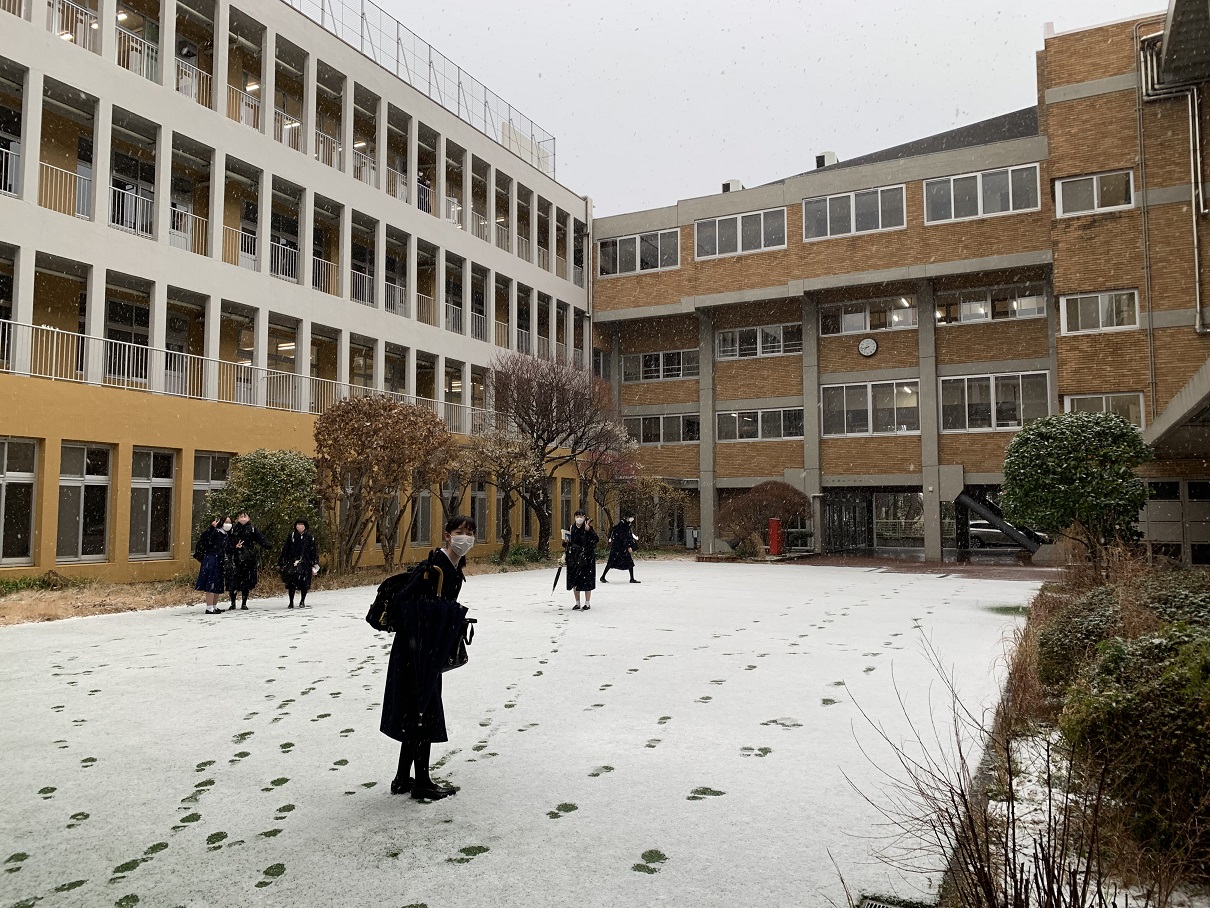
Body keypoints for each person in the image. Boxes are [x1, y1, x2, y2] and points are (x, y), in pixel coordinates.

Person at [381, 516, 477, 801]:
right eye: (459, 532)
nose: (465, 538)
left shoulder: (452, 568)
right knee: (423, 713)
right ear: (447, 535)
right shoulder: (433, 568)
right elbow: (403, 603)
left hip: (425, 649)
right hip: (417, 652)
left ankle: (402, 778)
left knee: (417, 711)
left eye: (470, 533)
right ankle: (421, 781)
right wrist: (444, 616)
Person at [225, 511, 270, 611]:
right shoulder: (233, 530)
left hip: (248, 559)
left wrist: (267, 545)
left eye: (245, 517)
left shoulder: (252, 529)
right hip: (235, 558)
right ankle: (232, 603)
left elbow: (261, 539)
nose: (243, 519)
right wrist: (234, 547)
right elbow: (227, 543)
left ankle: (244, 603)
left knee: (246, 582)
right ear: (237, 519)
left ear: (249, 518)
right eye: (241, 517)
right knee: (233, 582)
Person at [278, 518, 319, 609]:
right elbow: (286, 549)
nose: (299, 526)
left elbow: (314, 551)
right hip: (293, 562)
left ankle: (302, 600)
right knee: (291, 582)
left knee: (305, 583)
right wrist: (282, 562)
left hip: (306, 562)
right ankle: (291, 602)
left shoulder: (309, 537)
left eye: (301, 524)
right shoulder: (292, 536)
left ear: (305, 526)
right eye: (298, 524)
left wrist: (314, 562)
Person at [563, 509, 599, 610]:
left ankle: (587, 603)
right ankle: (577, 602)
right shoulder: (571, 528)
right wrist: (566, 541)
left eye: (581, 516)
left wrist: (589, 531)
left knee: (587, 580)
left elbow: (596, 540)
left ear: (584, 518)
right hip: (574, 558)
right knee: (575, 581)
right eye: (577, 516)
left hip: (587, 558)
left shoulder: (588, 528)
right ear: (574, 517)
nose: (579, 518)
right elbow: (565, 545)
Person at [193, 517, 229, 615]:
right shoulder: (214, 532)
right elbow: (205, 538)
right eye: (226, 522)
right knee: (211, 583)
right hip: (211, 560)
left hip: (219, 560)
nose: (228, 524)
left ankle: (214, 606)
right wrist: (212, 528)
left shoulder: (225, 534)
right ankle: (209, 607)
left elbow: (227, 548)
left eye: (229, 522)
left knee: (218, 583)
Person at [600, 515, 640, 584]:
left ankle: (632, 578)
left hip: (619, 547)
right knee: (613, 562)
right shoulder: (622, 525)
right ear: (626, 518)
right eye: (630, 518)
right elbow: (623, 537)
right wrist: (628, 546)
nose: (632, 519)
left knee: (628, 562)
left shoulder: (626, 524)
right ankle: (603, 577)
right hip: (618, 548)